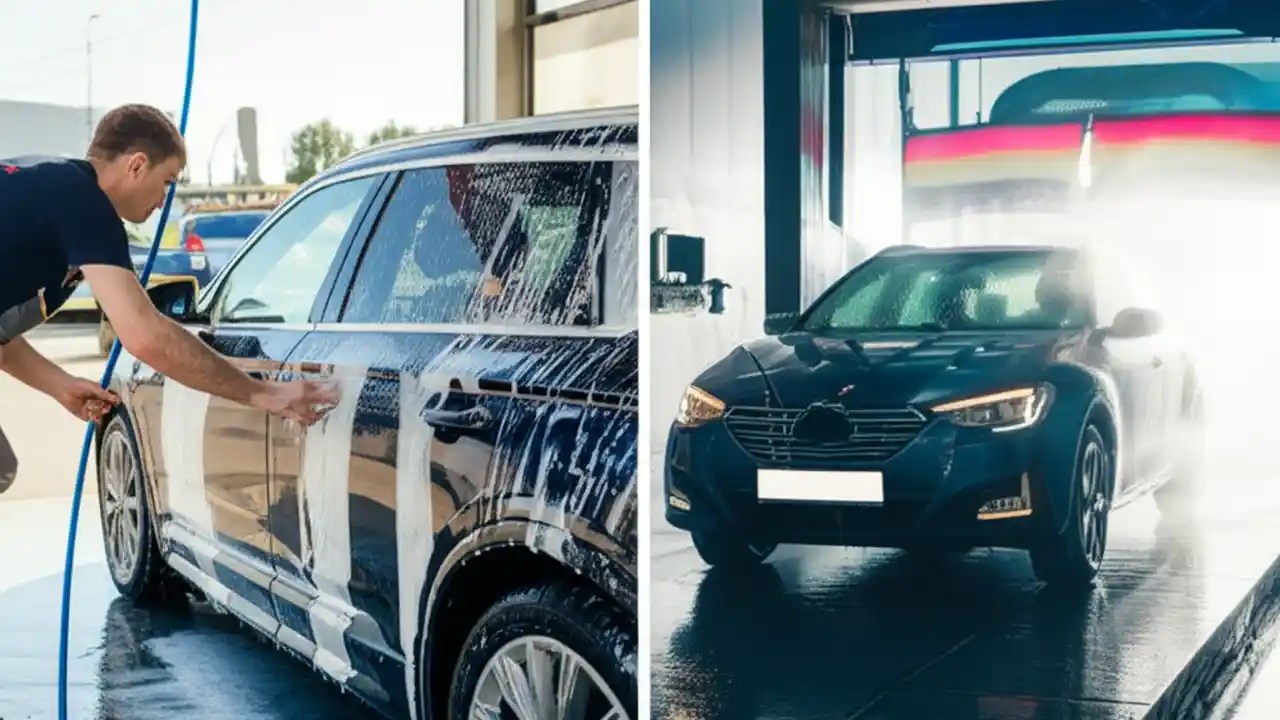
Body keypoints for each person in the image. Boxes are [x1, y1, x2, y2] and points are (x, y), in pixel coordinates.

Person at [0, 103, 337, 492]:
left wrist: (59, 384)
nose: (164, 200)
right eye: (167, 181)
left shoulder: (45, 184)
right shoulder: (83, 202)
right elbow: (145, 336)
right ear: (137, 165)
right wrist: (264, 393)